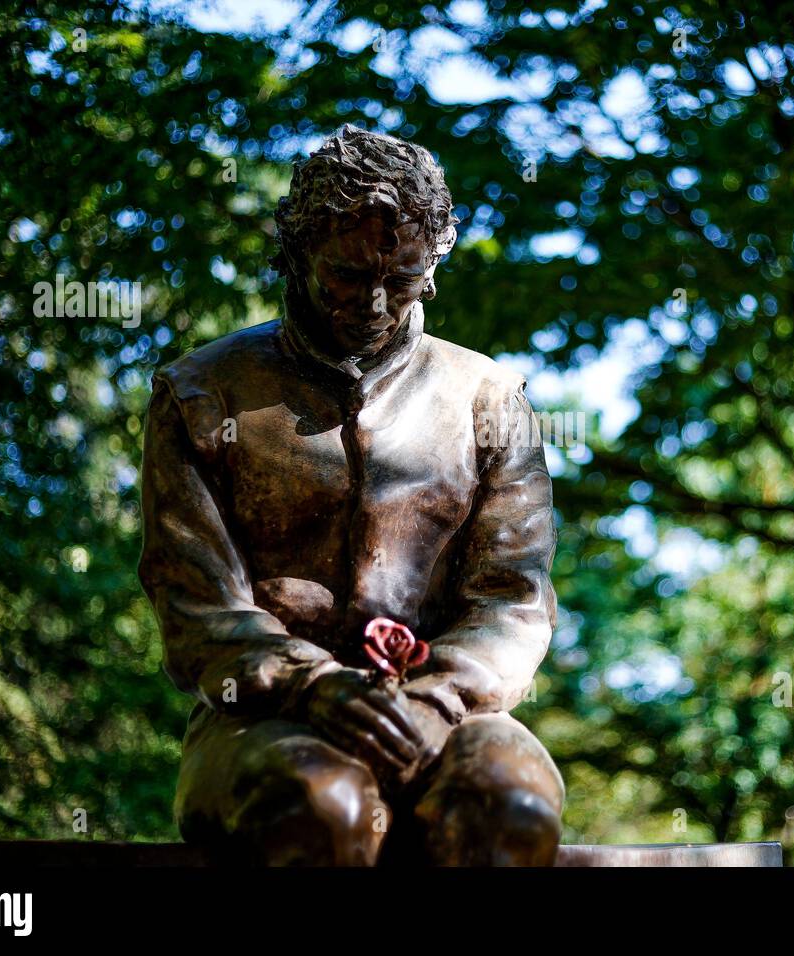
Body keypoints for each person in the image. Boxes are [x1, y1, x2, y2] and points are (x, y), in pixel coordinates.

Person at [139, 126, 563, 865]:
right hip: (264, 719)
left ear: (431, 271)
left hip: (450, 710)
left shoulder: (487, 398)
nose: (373, 304)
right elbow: (194, 603)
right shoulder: (202, 393)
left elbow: (513, 600)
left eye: (401, 280)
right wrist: (314, 687)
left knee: (506, 806)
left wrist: (438, 697)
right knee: (321, 810)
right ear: (298, 252)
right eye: (346, 274)